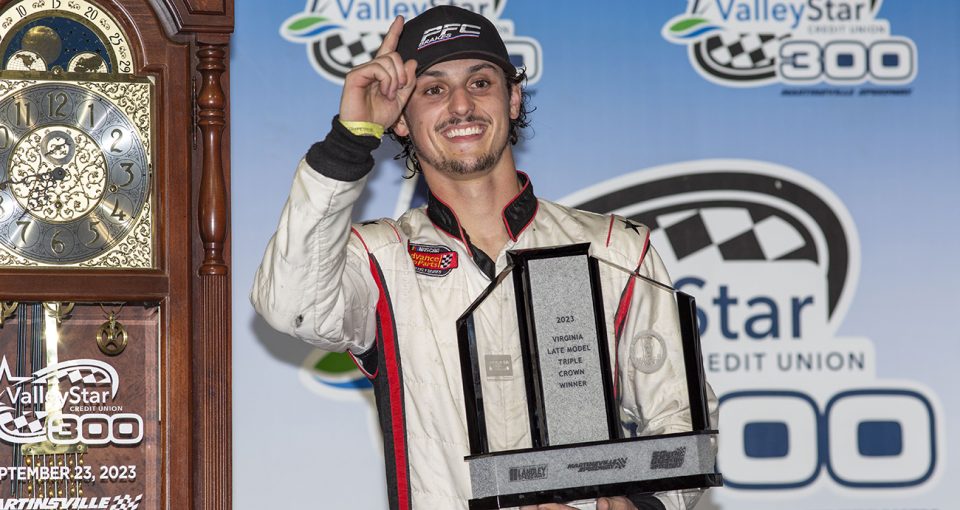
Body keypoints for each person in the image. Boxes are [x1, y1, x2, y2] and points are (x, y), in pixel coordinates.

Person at [252, 6, 717, 510]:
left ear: (513, 98)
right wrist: (349, 138)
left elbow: (683, 424)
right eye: (432, 89)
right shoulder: (379, 260)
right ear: (402, 121)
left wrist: (637, 506)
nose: (460, 105)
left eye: (479, 82)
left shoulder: (613, 248)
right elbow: (290, 305)